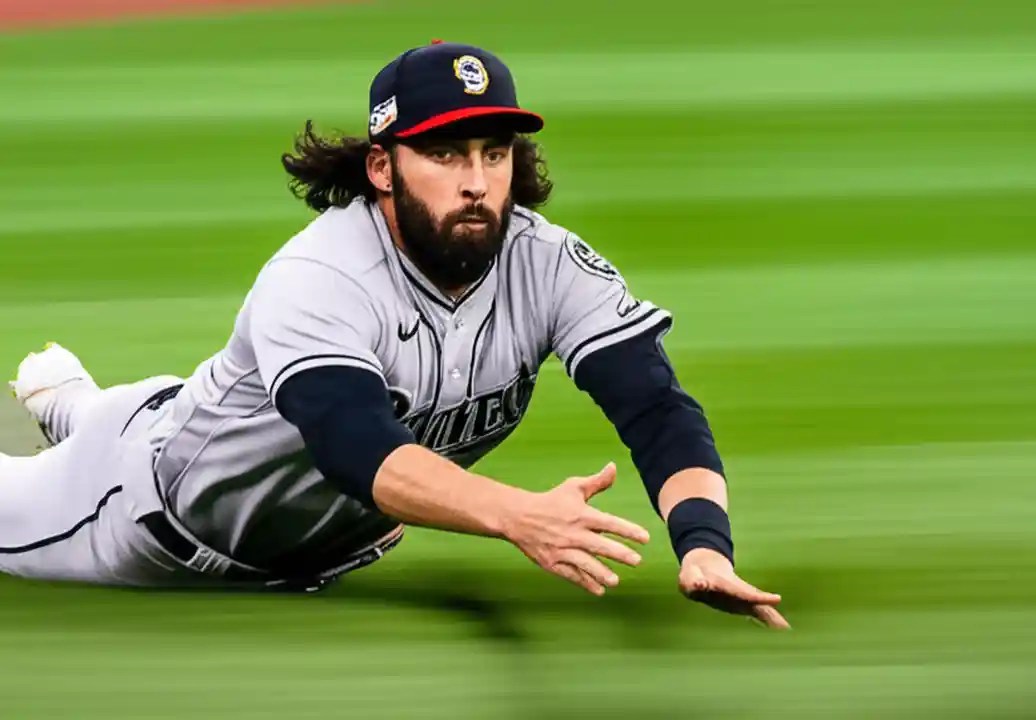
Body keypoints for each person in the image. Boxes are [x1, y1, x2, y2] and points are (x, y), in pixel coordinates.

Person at [0, 41, 788, 629]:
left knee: (122, 410)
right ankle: (70, 406)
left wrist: (702, 544)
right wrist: (519, 515)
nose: (476, 180)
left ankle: (61, 395)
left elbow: (655, 407)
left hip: (271, 496)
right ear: (382, 167)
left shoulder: (549, 263)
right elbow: (357, 447)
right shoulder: (321, 273)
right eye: (444, 153)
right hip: (138, 509)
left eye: (493, 152)